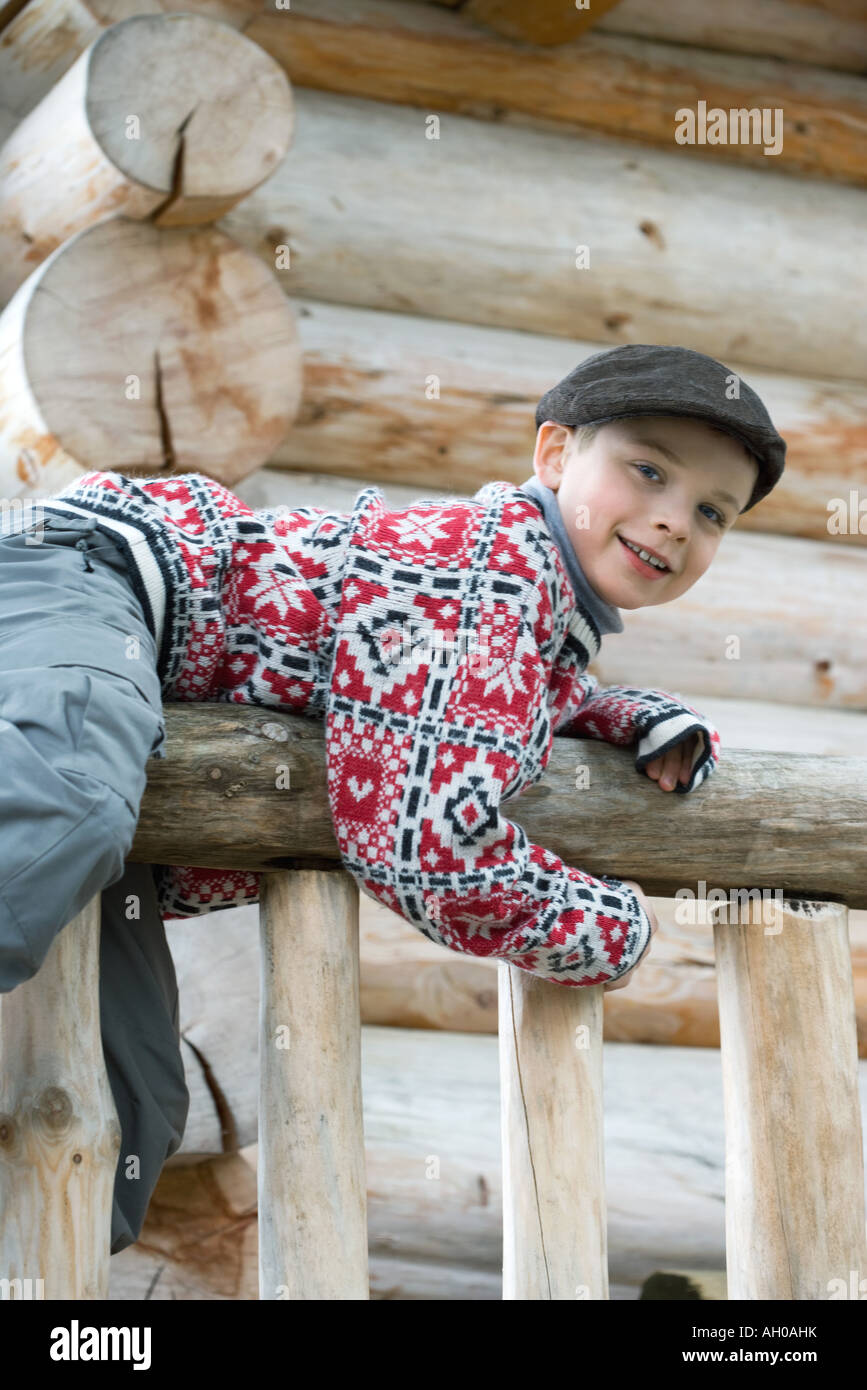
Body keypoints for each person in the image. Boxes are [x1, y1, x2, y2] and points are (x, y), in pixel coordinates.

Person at [0, 342, 786, 1250]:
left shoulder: (537, 632)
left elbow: (500, 702)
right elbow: (424, 849)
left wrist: (636, 718)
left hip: (136, 743)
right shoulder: (489, 570)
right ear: (554, 455)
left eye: (711, 511)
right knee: (65, 799)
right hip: (100, 577)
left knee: (116, 1112)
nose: (672, 520)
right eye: (647, 470)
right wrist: (615, 931)